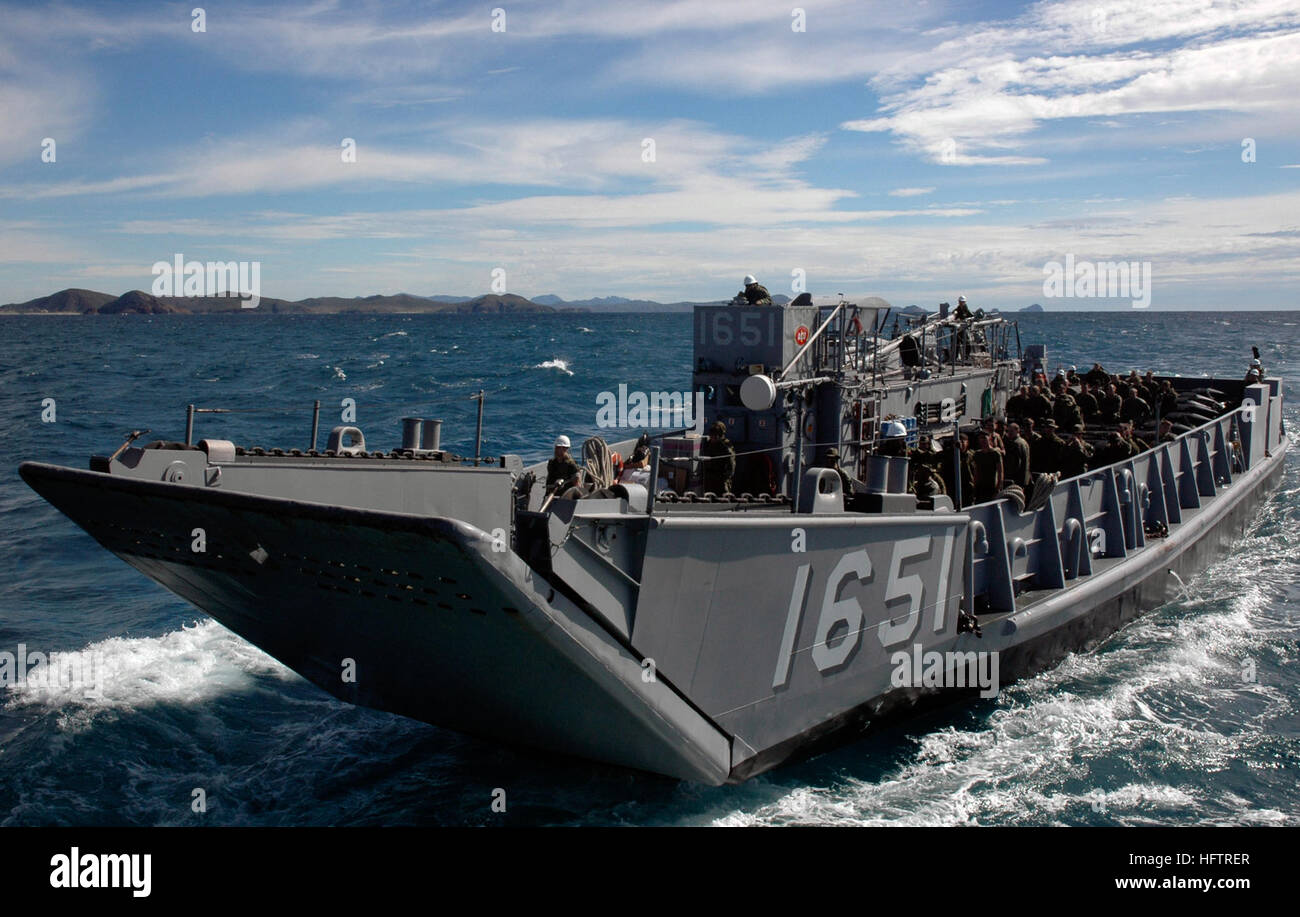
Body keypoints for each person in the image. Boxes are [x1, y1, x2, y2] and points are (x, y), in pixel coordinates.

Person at [701, 421, 736, 493]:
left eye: (715, 434)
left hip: (721, 477)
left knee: (724, 497)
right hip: (709, 477)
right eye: (711, 434)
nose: (712, 437)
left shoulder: (725, 445)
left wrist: (726, 478)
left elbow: (731, 462)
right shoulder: (708, 444)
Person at [971, 432, 1003, 503]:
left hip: (992, 487)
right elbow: (976, 472)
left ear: (989, 439)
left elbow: (1000, 472)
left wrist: (998, 488)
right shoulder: (977, 454)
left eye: (984, 438)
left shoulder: (995, 454)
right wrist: (975, 486)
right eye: (981, 439)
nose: (983, 441)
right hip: (981, 487)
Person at [1003, 422, 1031, 489]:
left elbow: (1015, 464)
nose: (1009, 433)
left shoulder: (1015, 444)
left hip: (1016, 479)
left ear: (1017, 431)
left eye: (1011, 431)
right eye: (1008, 431)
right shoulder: (1024, 442)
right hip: (1024, 477)